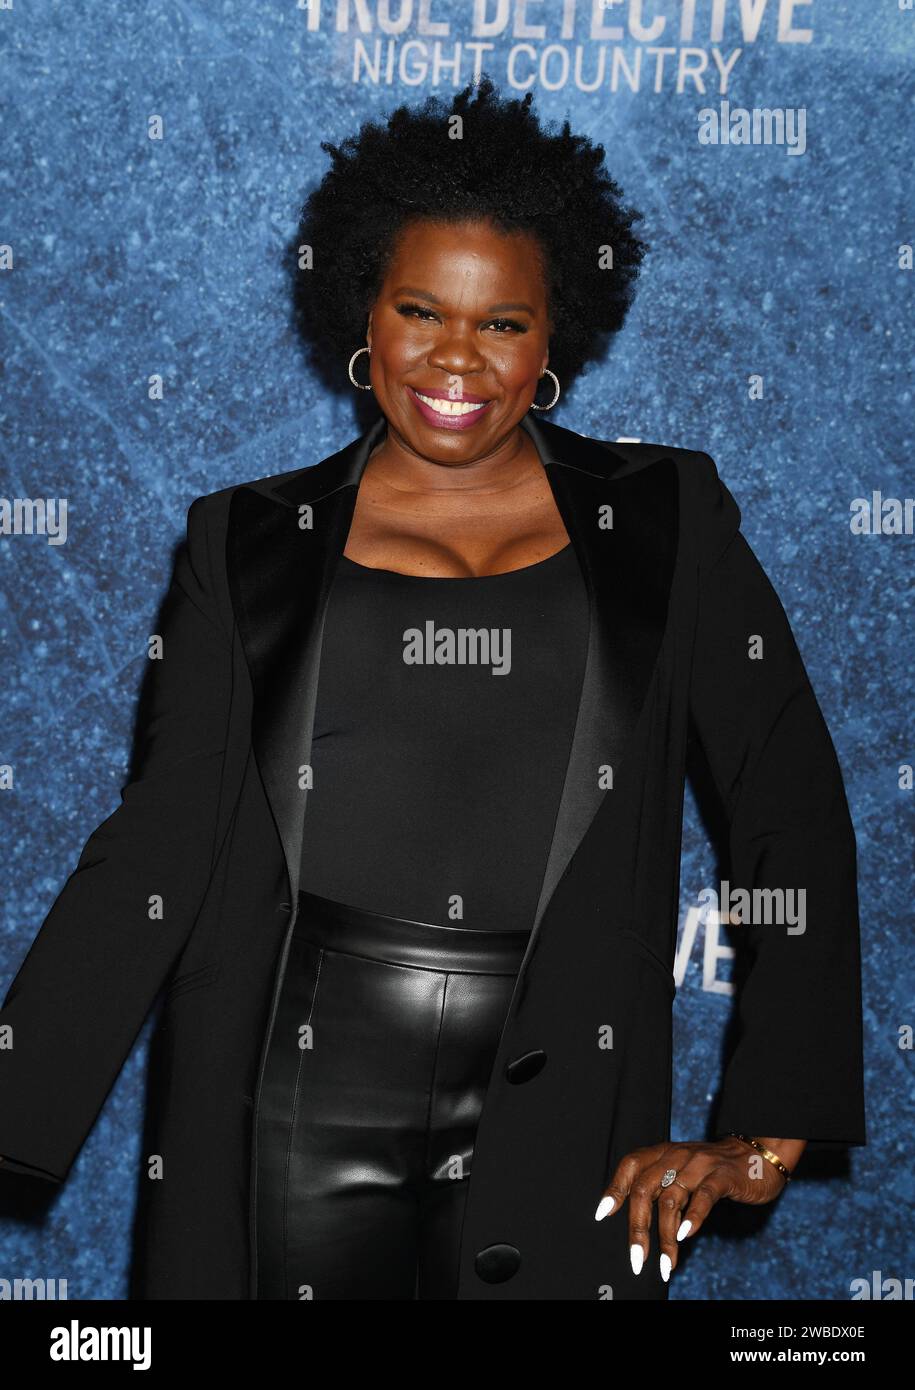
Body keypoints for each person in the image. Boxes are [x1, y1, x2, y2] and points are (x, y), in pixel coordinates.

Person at [0, 78, 865, 1301]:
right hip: (285, 1101)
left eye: (503, 323)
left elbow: (791, 804)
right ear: (364, 306)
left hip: (567, 1103)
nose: (457, 359)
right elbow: (157, 853)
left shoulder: (669, 521)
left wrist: (769, 1123)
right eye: (420, 310)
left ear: (556, 333)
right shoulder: (246, 542)